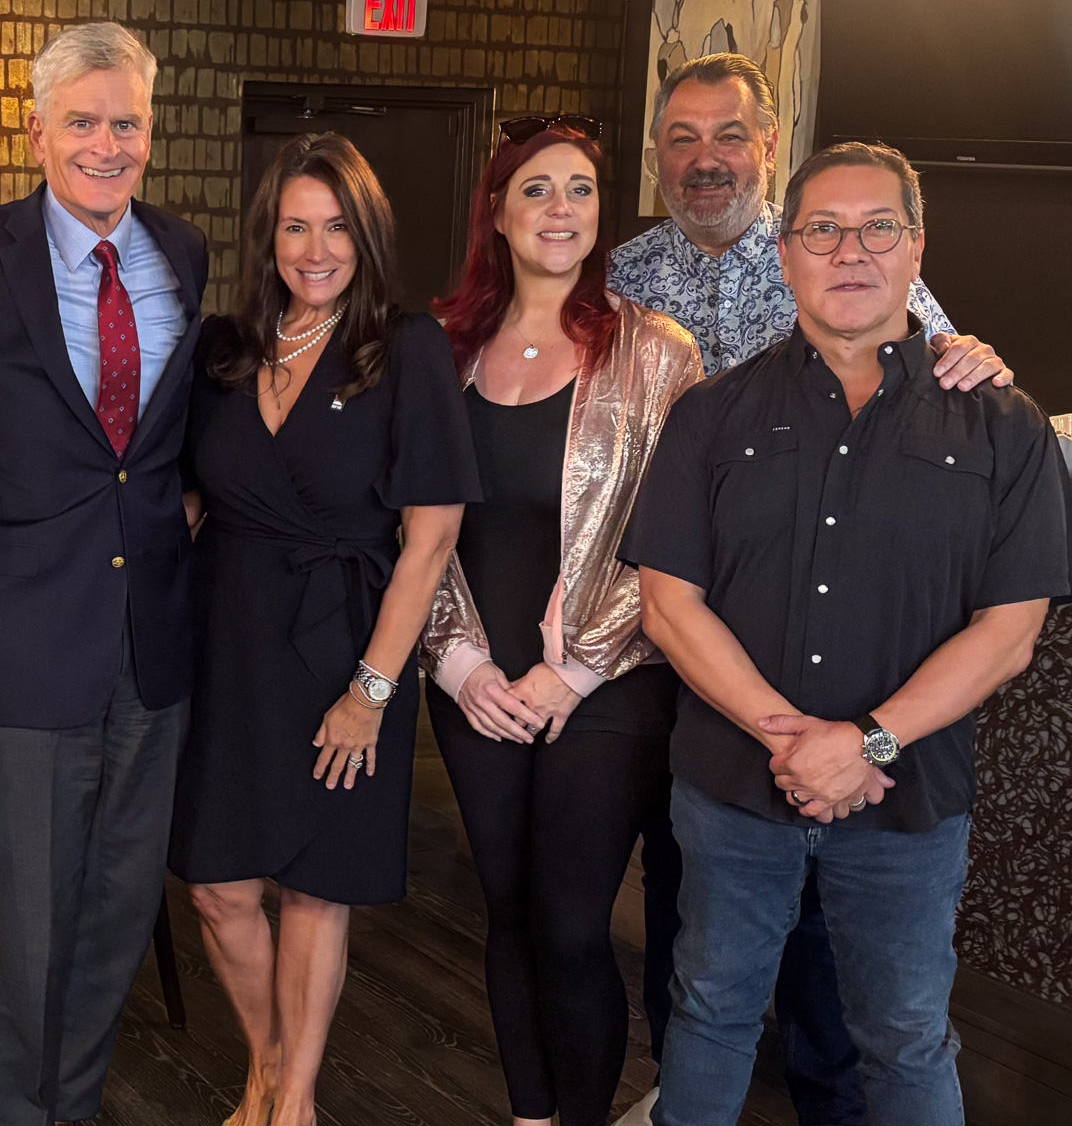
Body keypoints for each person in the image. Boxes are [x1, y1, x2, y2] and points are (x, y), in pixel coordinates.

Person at [622, 142, 1071, 1126]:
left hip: (907, 804)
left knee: (905, 1034)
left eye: (877, 228)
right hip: (733, 793)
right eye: (821, 229)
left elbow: (1007, 633)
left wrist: (863, 743)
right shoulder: (711, 414)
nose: (849, 250)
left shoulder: (1002, 425)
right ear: (783, 255)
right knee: (706, 1012)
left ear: (915, 250)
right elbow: (668, 604)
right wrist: (794, 741)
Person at [0, 21, 209, 1126]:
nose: (104, 143)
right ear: (36, 132)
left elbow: (162, 445)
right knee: (30, 927)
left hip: (154, 644)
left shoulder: (181, 253)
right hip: (23, 645)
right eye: (81, 122)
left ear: (149, 131)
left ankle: (68, 1111)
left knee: (118, 916)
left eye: (124, 122)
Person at [169, 132, 477, 1126]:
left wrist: (370, 693)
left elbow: (429, 539)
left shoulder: (404, 346)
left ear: (366, 234)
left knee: (312, 890)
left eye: (336, 226)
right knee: (217, 887)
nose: (314, 248)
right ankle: (265, 1064)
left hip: (343, 644)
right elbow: (175, 498)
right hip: (224, 645)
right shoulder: (222, 350)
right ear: (266, 238)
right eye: (295, 226)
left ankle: (289, 1103)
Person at [419, 116, 701, 1126]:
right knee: (506, 916)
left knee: (572, 924)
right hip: (472, 690)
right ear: (494, 212)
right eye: (535, 189)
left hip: (609, 688)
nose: (558, 209)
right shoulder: (439, 350)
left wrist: (568, 671)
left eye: (579, 189)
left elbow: (674, 540)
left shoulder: (655, 353)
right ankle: (529, 1116)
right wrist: (456, 668)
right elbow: (416, 534)